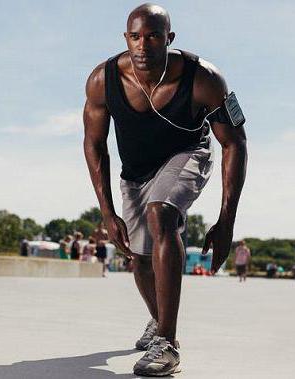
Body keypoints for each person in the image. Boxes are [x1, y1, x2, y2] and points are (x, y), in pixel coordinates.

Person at [83, 4, 247, 376]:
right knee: (139, 257)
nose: (143, 45)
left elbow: (235, 143)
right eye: (136, 36)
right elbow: (94, 144)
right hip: (135, 173)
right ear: (126, 38)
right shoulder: (101, 81)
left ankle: (168, 345)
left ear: (169, 39)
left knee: (162, 213)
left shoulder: (204, 79)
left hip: (187, 154)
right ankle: (159, 324)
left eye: (154, 36)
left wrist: (226, 221)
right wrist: (107, 212)